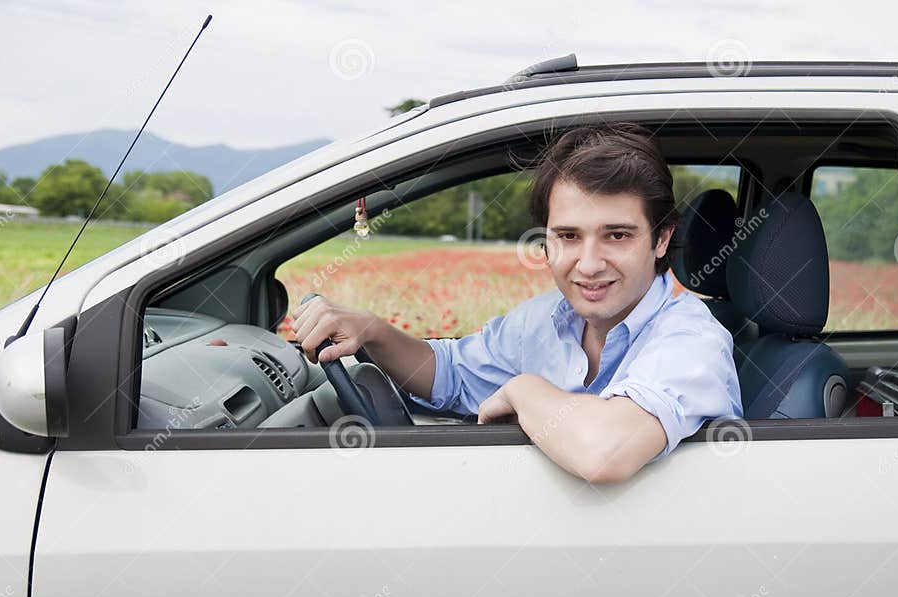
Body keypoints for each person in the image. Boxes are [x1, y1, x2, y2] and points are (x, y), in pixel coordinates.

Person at [291, 123, 742, 483]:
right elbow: (452, 374)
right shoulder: (545, 319)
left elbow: (604, 452)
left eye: (617, 235)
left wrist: (524, 390)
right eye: (568, 236)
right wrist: (373, 330)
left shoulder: (692, 340)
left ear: (660, 239)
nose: (588, 264)